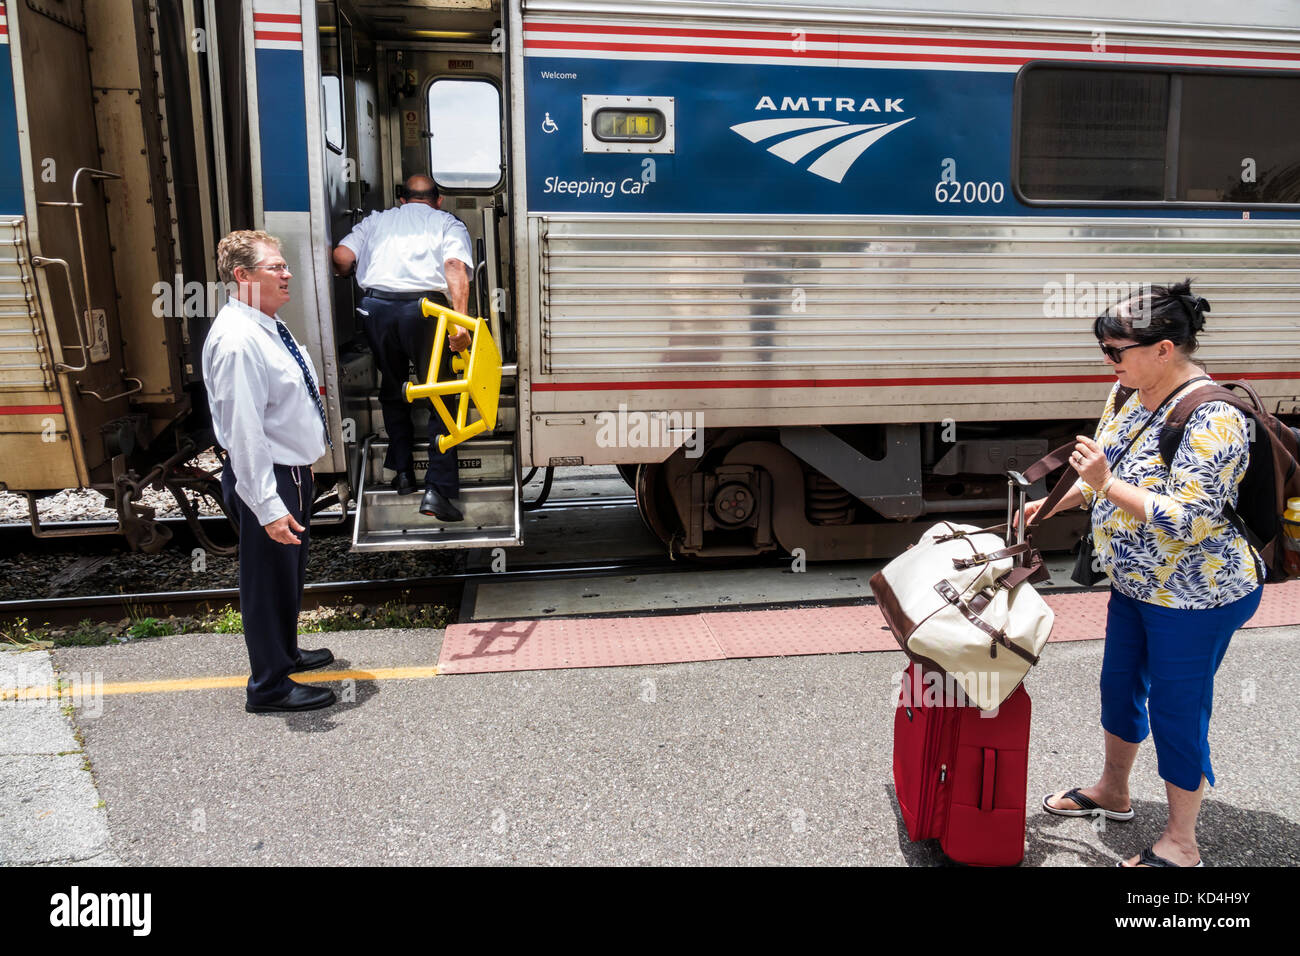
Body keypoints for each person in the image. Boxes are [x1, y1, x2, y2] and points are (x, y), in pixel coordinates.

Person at [1022, 280, 1261, 867]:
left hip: (1197, 594)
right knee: (1119, 686)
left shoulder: (1214, 419)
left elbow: (1188, 519)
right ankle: (1114, 790)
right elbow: (1110, 463)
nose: (1108, 361)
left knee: (1177, 710)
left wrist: (1105, 486)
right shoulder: (1129, 392)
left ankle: (1181, 843)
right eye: (1104, 349)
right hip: (1136, 582)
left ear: (1164, 349)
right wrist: (1059, 502)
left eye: (1115, 350)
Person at [203, 230, 336, 714]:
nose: (288, 274)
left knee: (287, 577)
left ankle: (285, 654)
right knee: (265, 582)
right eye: (275, 267)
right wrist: (266, 504)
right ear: (243, 276)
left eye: (284, 266)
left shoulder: (267, 325)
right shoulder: (239, 342)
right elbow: (245, 432)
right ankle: (269, 687)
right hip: (269, 476)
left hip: (291, 471)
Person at [331, 174, 473, 522]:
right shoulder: (447, 222)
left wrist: (346, 271)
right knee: (440, 392)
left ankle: (403, 472)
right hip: (424, 311)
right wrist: (461, 324)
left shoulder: (377, 220)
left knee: (393, 389)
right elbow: (454, 267)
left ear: (402, 199)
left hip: (376, 309)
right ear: (437, 200)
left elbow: (341, 255)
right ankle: (438, 491)